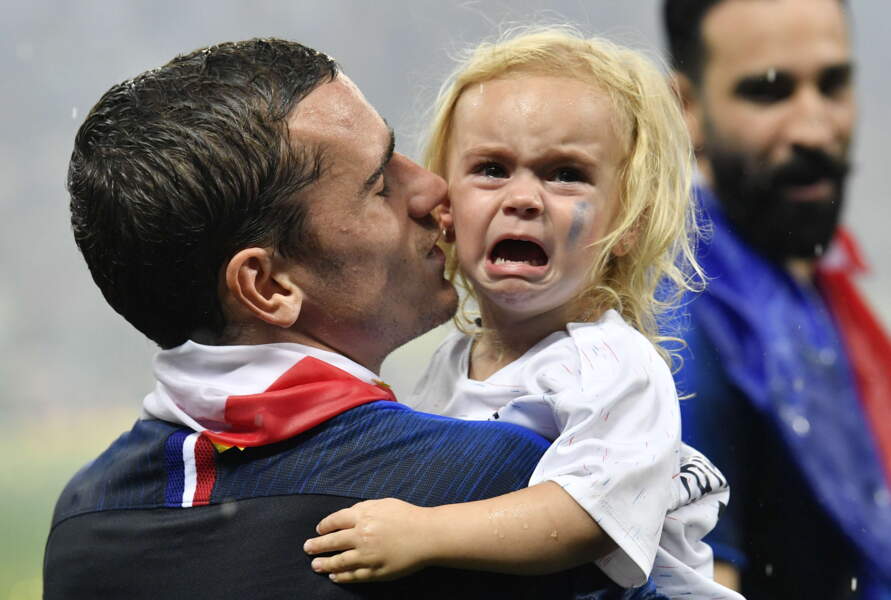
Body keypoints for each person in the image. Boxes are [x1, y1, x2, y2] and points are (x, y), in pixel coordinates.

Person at [43, 38, 668, 599]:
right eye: (381, 182)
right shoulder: (500, 482)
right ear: (267, 286)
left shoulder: (81, 524)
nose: (432, 190)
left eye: (565, 175)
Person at [303, 29, 741, 600]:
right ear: (447, 208)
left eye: (565, 174)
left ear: (629, 221)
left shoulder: (613, 365)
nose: (524, 197)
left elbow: (583, 518)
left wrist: (425, 533)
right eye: (491, 168)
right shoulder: (453, 360)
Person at [662, 0, 891, 597]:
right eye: (769, 91)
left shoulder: (800, 273)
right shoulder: (681, 325)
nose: (814, 129)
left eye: (833, 84)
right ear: (688, 108)